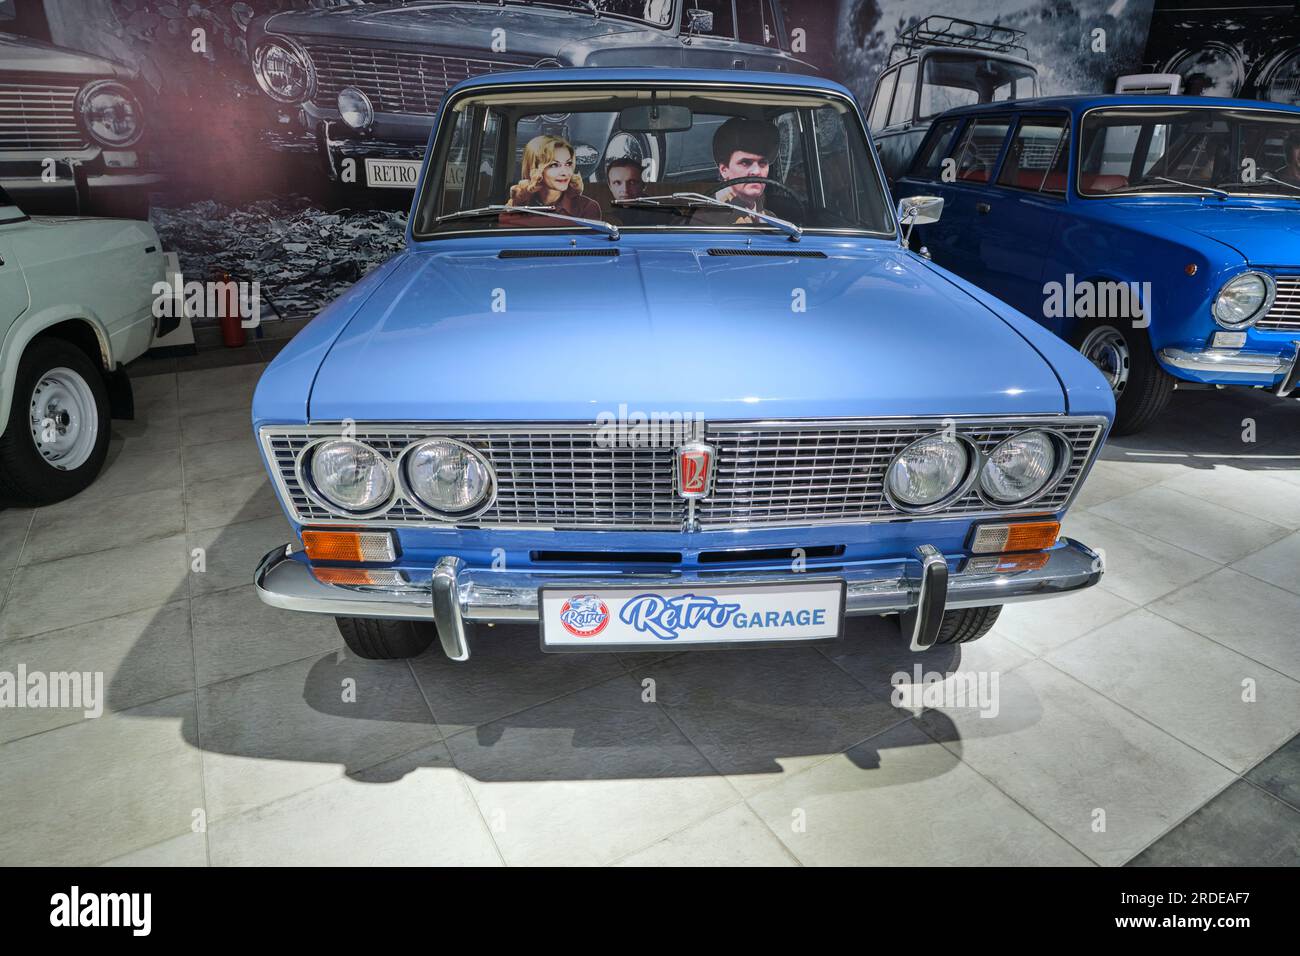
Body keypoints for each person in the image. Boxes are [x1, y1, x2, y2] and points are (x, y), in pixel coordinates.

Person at [690, 116, 782, 227]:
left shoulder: (770, 218)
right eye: (745, 163)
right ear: (724, 170)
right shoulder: (705, 219)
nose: (756, 172)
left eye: (762, 163)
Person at [499, 134, 602, 227]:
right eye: (554, 165)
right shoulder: (516, 204)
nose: (565, 172)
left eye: (568, 164)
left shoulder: (586, 208)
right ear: (534, 168)